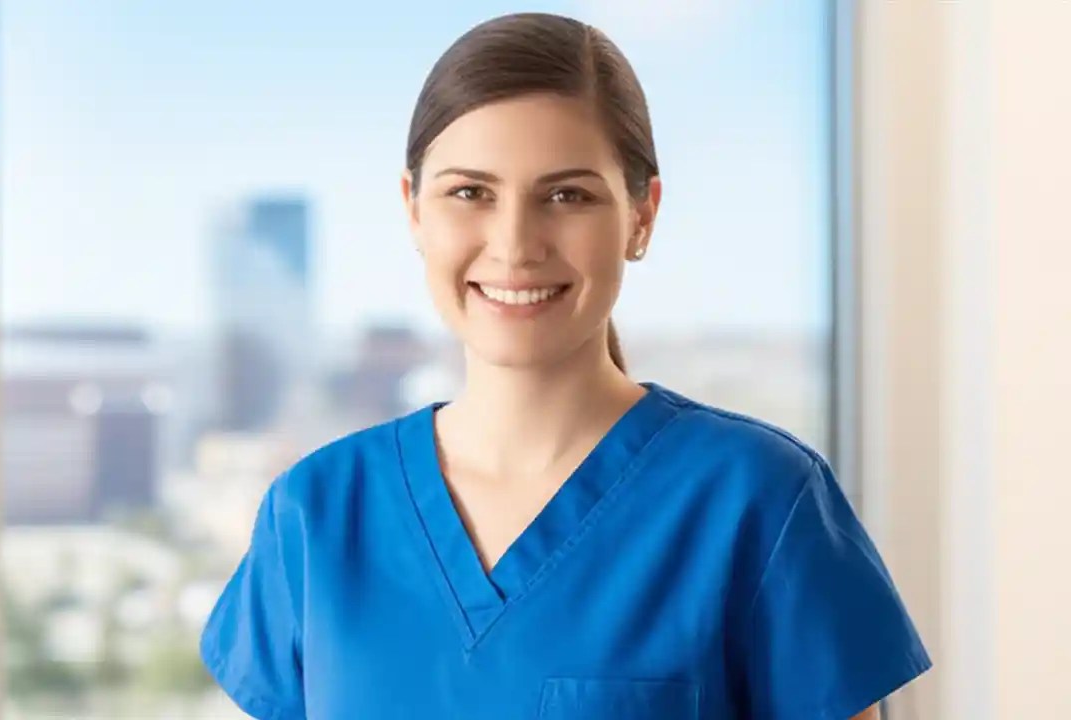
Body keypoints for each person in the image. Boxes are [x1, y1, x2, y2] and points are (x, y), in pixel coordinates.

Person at [199, 11, 930, 719]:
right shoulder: (319, 514)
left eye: (566, 195)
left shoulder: (757, 501)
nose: (515, 244)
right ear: (413, 211)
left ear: (641, 216)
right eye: (469, 193)